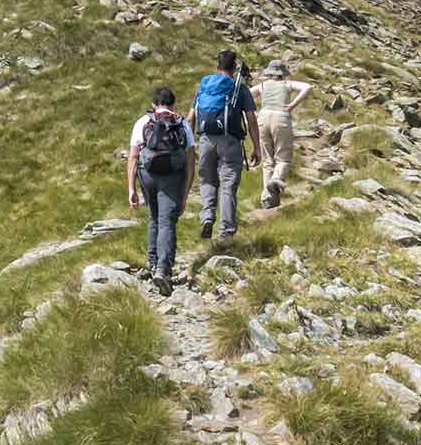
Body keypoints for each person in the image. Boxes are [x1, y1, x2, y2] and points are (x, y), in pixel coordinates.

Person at [186, 49, 261, 241]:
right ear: (234, 67)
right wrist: (257, 147)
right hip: (229, 140)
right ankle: (225, 233)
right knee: (227, 185)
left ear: (217, 65)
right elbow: (251, 119)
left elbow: (190, 117)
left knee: (208, 181)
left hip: (205, 139)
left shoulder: (204, 85)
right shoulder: (239, 88)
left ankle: (207, 217)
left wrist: (188, 146)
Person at [127, 87, 194, 296]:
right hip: (172, 177)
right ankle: (163, 270)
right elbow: (191, 160)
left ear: (154, 103)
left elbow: (133, 157)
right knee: (167, 221)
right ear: (172, 104)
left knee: (154, 218)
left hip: (147, 174)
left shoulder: (143, 122)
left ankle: (152, 262)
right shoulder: (182, 123)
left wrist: (131, 188)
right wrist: (185, 193)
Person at [252, 59, 312, 208]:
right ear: (282, 73)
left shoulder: (262, 85)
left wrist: (255, 112)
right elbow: (307, 86)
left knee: (267, 161)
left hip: (263, 117)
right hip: (281, 117)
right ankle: (276, 179)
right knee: (283, 159)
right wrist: (293, 104)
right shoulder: (287, 84)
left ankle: (267, 199)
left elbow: (246, 95)